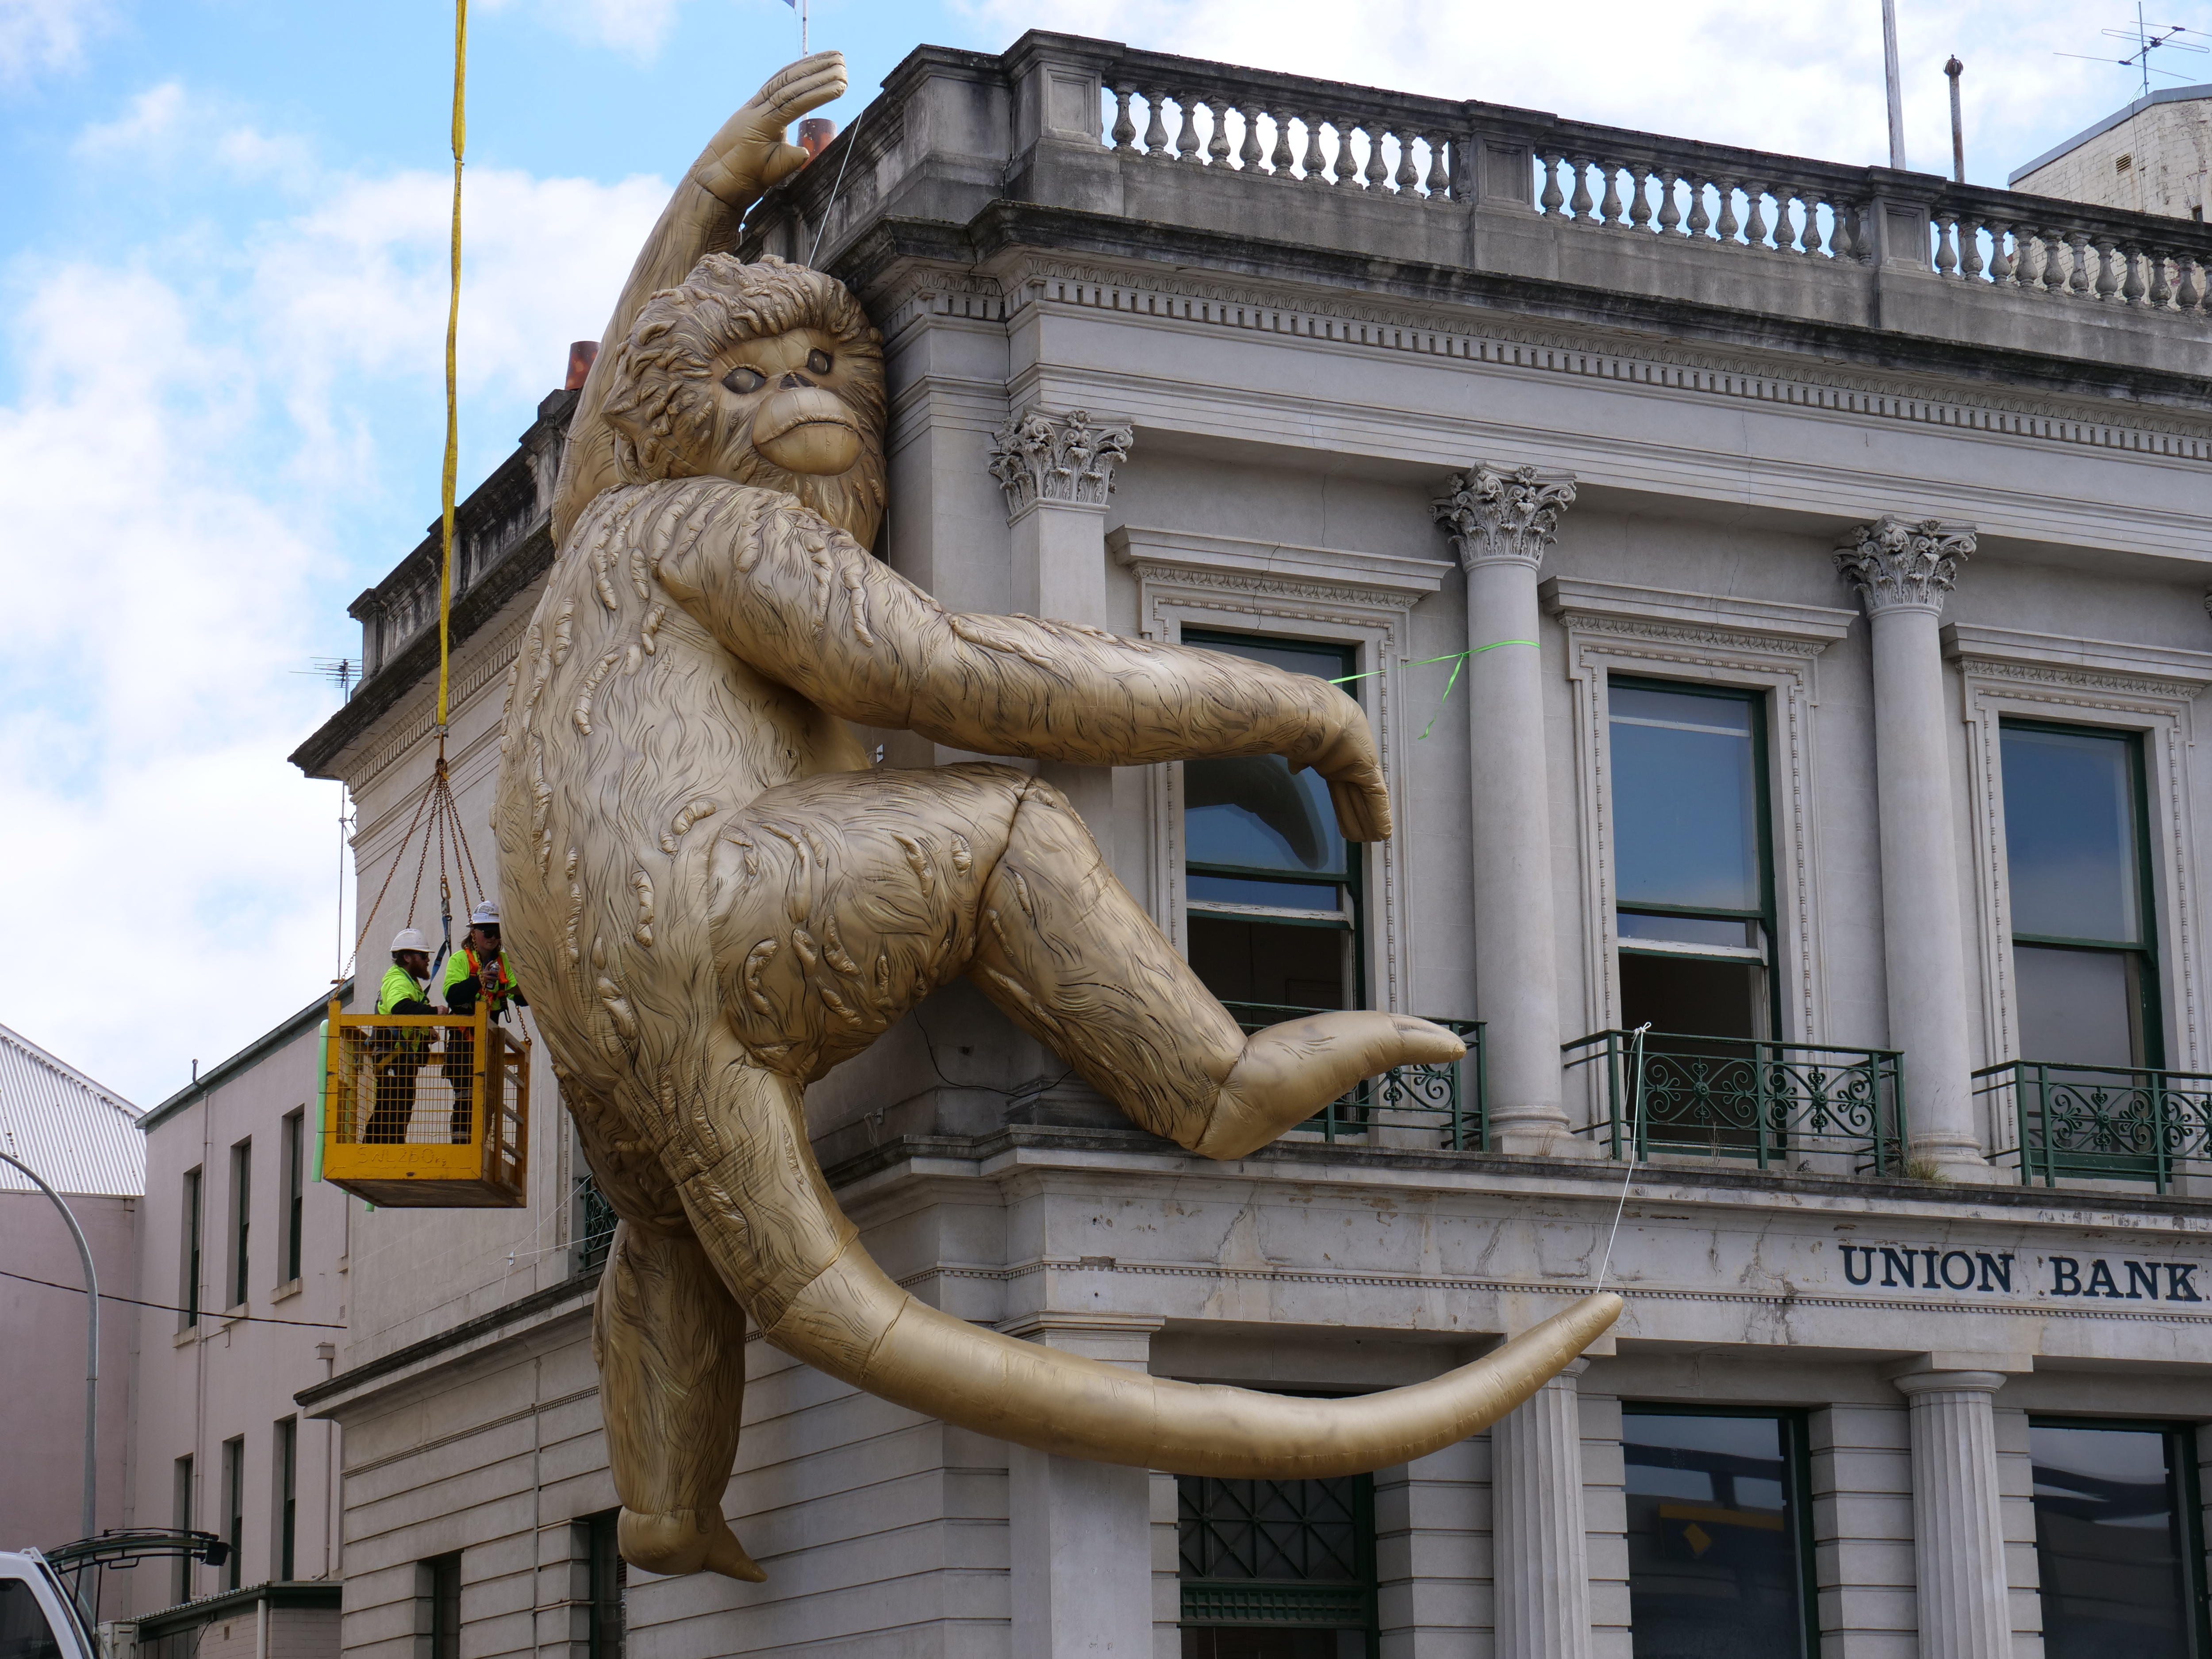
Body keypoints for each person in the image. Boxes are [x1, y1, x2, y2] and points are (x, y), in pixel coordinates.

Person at [440, 902, 526, 1142]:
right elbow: (453, 995)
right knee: (466, 1096)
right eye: (487, 931)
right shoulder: (461, 960)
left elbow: (519, 996)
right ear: (474, 933)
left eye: (496, 932)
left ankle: (479, 1145)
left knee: (488, 1096)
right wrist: (479, 980)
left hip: (487, 1040)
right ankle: (461, 1148)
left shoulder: (504, 962)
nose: (492, 937)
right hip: (463, 1041)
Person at [366, 929, 435, 1144]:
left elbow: (409, 1015)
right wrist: (434, 1013)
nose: (427, 960)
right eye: (423, 956)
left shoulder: (410, 982)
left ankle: (390, 1150)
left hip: (399, 1057)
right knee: (391, 1107)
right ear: (408, 957)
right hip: (392, 1055)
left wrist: (426, 1032)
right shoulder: (398, 980)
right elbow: (399, 1007)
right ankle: (376, 1153)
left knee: (399, 1106)